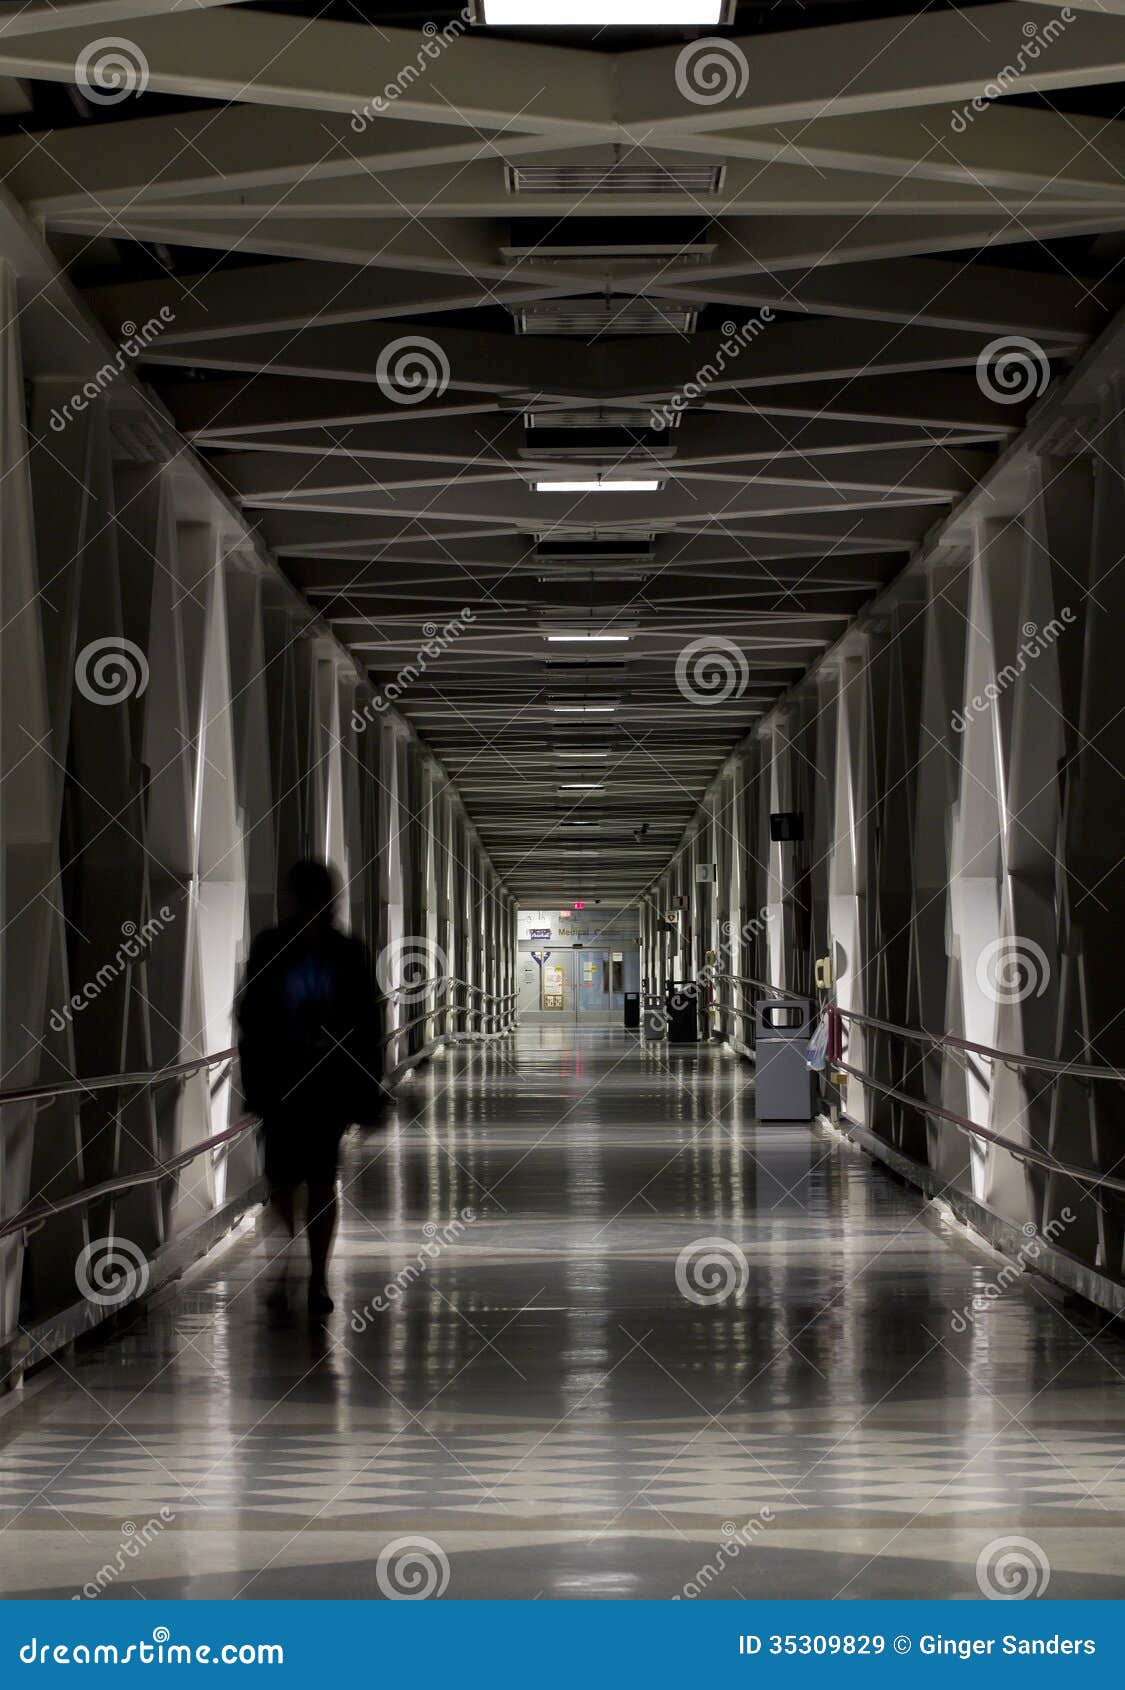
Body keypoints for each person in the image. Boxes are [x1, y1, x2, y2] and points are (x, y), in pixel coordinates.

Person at [237, 859, 388, 1316]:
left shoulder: (346, 953)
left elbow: (367, 1022)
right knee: (283, 1184)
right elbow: (252, 1017)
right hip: (283, 1087)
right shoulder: (272, 947)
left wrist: (366, 1088)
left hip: (326, 1089)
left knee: (320, 1181)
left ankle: (315, 1276)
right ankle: (288, 1266)